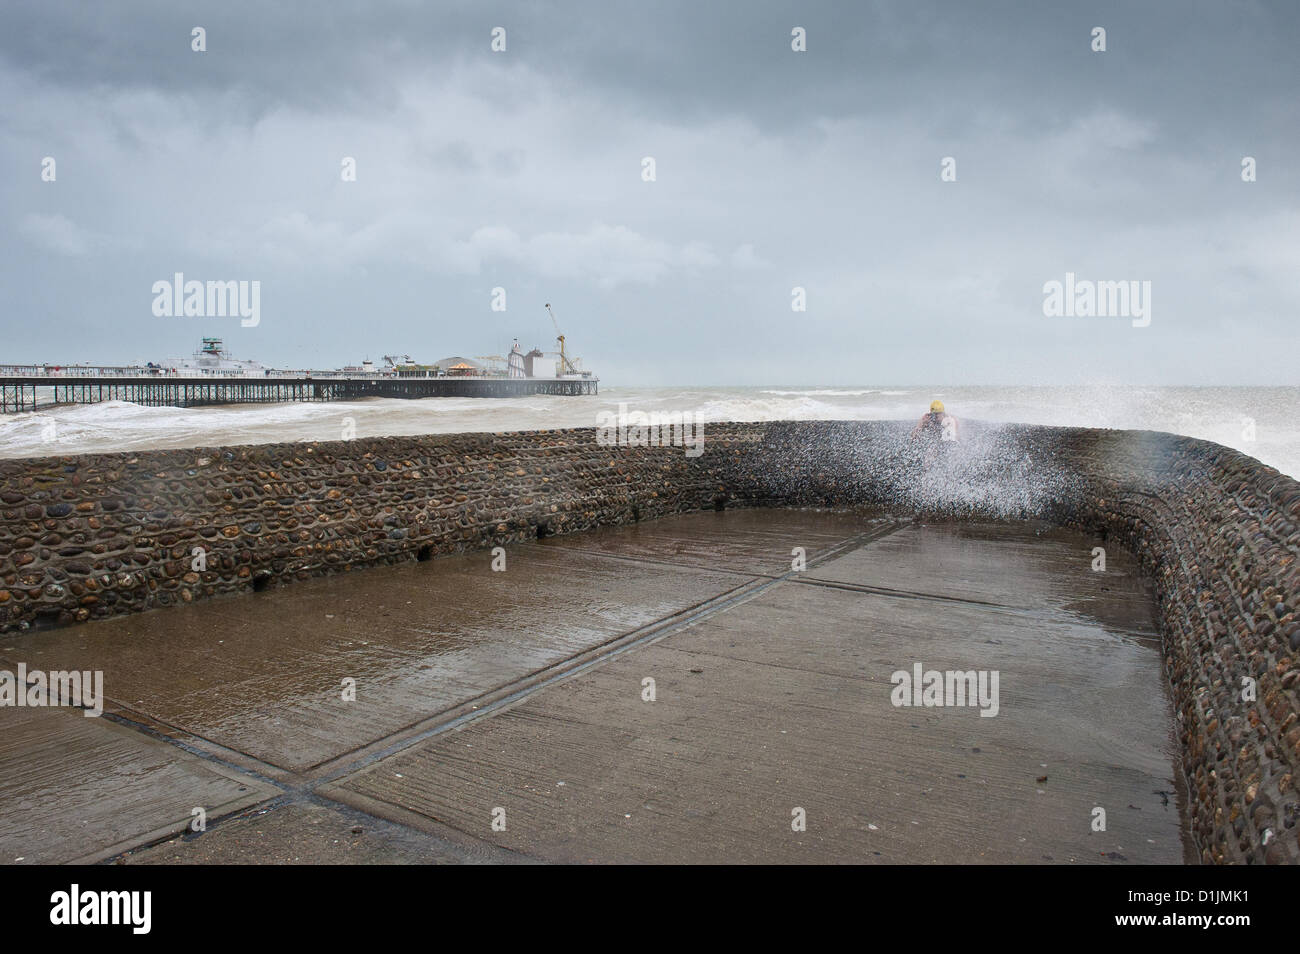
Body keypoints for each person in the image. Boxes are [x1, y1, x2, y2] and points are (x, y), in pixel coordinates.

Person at [911, 399, 958, 468]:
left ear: (943, 413)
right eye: (934, 414)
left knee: (950, 451)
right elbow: (915, 432)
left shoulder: (949, 419)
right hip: (933, 438)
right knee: (930, 454)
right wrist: (920, 427)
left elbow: (954, 436)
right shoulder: (927, 418)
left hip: (945, 439)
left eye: (939, 414)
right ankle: (927, 468)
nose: (936, 417)